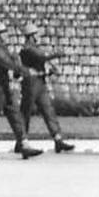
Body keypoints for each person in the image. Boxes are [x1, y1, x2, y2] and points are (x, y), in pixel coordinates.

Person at [0, 21, 42, 161]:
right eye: (5, 32)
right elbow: (5, 63)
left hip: (4, 84)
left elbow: (11, 63)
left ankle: (24, 143)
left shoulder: (2, 48)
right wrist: (22, 69)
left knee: (15, 114)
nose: (7, 35)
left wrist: (17, 66)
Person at [18, 24, 74, 153]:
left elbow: (40, 63)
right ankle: (21, 141)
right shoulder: (27, 49)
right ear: (31, 36)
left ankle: (58, 139)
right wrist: (56, 54)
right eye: (36, 34)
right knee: (25, 113)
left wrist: (49, 71)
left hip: (40, 82)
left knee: (48, 110)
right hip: (30, 83)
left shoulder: (34, 49)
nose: (38, 36)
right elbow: (41, 57)